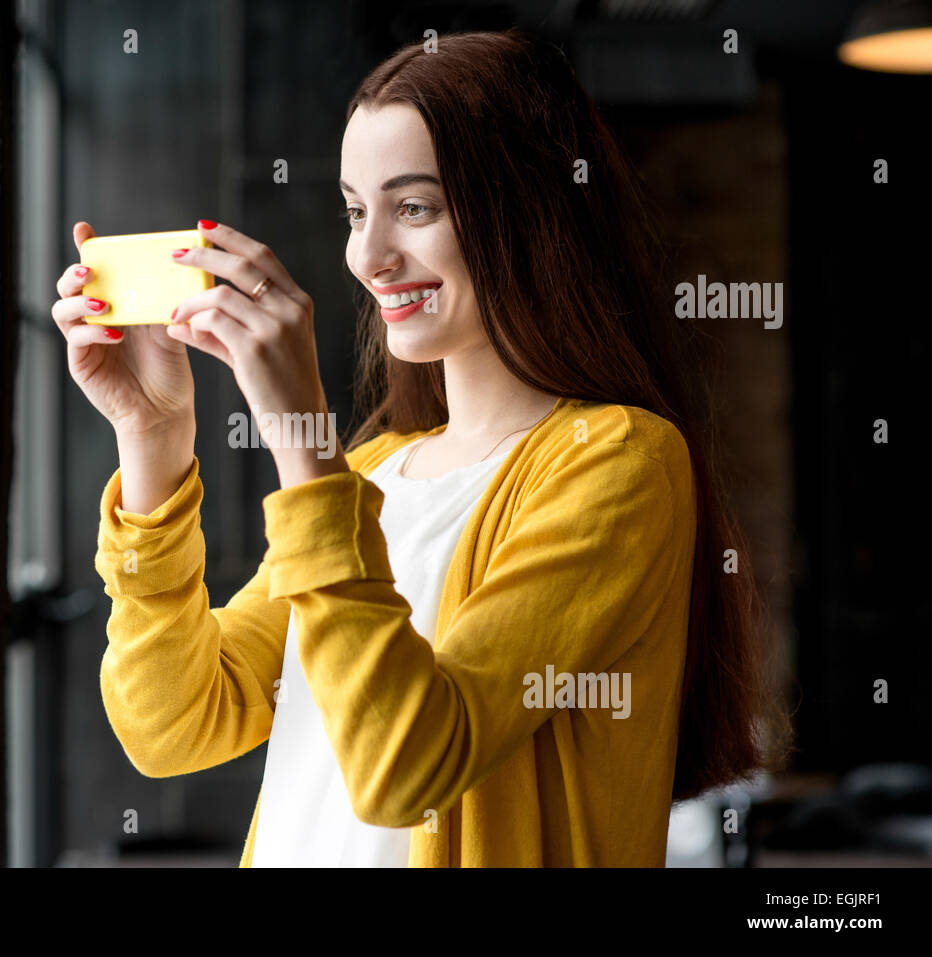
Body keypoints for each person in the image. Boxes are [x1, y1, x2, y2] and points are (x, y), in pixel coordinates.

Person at [51, 29, 783, 867]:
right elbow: (173, 726)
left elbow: (408, 764)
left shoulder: (619, 461)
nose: (368, 256)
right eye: (356, 211)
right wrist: (153, 443)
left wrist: (300, 434)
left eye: (414, 207)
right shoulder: (371, 471)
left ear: (529, 209)